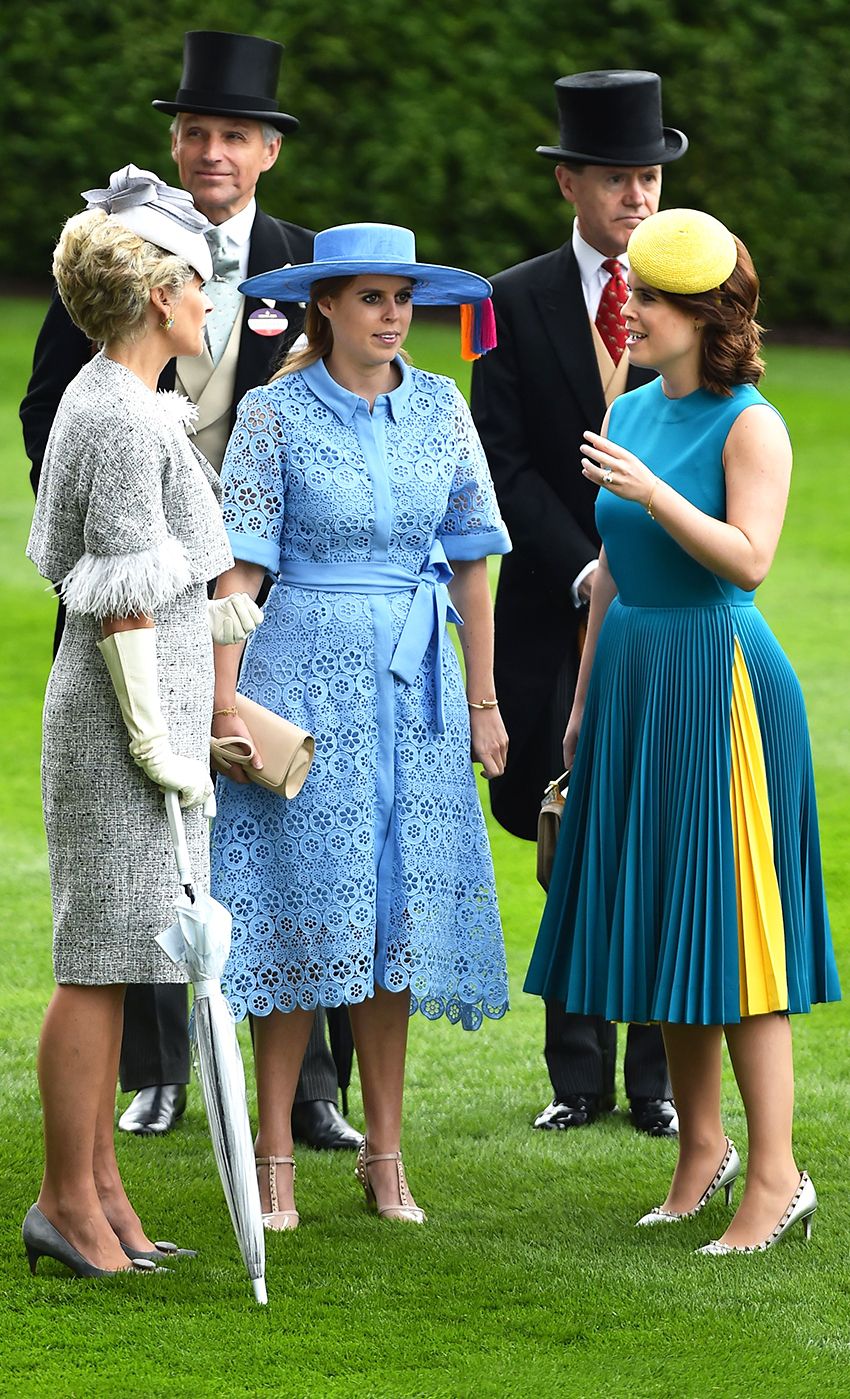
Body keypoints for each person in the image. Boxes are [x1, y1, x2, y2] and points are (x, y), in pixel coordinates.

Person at [19, 30, 359, 1150]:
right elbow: (51, 408)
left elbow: (343, 411)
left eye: (232, 134)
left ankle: (309, 1086)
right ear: (176, 142)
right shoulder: (120, 266)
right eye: (195, 132)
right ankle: (162, 1073)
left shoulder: (308, 263)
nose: (211, 151)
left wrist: (244, 550)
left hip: (262, 590)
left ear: (267, 151)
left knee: (277, 817)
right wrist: (133, 518)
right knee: (145, 841)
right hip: (141, 590)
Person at [526, 208, 840, 1253]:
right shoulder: (629, 403)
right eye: (631, 294)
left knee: (736, 930)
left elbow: (747, 560)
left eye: (650, 300)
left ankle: (778, 1177)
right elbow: (610, 568)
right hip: (632, 678)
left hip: (721, 679)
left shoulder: (750, 422)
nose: (631, 309)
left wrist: (655, 492)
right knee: (668, 923)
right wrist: (581, 703)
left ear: (706, 315)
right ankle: (699, 1151)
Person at [209, 223, 511, 1229]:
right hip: (302, 687)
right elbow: (240, 572)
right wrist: (223, 703)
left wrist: (484, 699)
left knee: (394, 929)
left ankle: (385, 1158)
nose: (392, 316)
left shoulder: (441, 406)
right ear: (325, 306)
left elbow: (472, 560)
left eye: (401, 298)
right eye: (372, 297)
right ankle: (275, 1154)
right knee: (304, 912)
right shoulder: (272, 411)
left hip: (418, 694)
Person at [22, 165, 260, 1275]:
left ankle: (104, 1196)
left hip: (141, 717)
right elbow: (116, 594)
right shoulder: (117, 412)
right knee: (93, 962)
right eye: (202, 288)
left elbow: (167, 585)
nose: (212, 306)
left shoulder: (127, 401)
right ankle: (66, 1202)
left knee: (120, 956)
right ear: (160, 298)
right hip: (122, 729)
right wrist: (160, 742)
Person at [470, 70, 682, 1136]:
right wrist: (583, 563)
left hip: (663, 610)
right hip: (556, 610)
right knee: (563, 827)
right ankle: (576, 1075)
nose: (636, 198)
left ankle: (653, 1081)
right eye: (614, 180)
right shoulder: (509, 300)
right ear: (568, 183)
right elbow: (499, 463)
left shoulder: (691, 296)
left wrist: (645, 559)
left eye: (646, 177)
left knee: (653, 829)